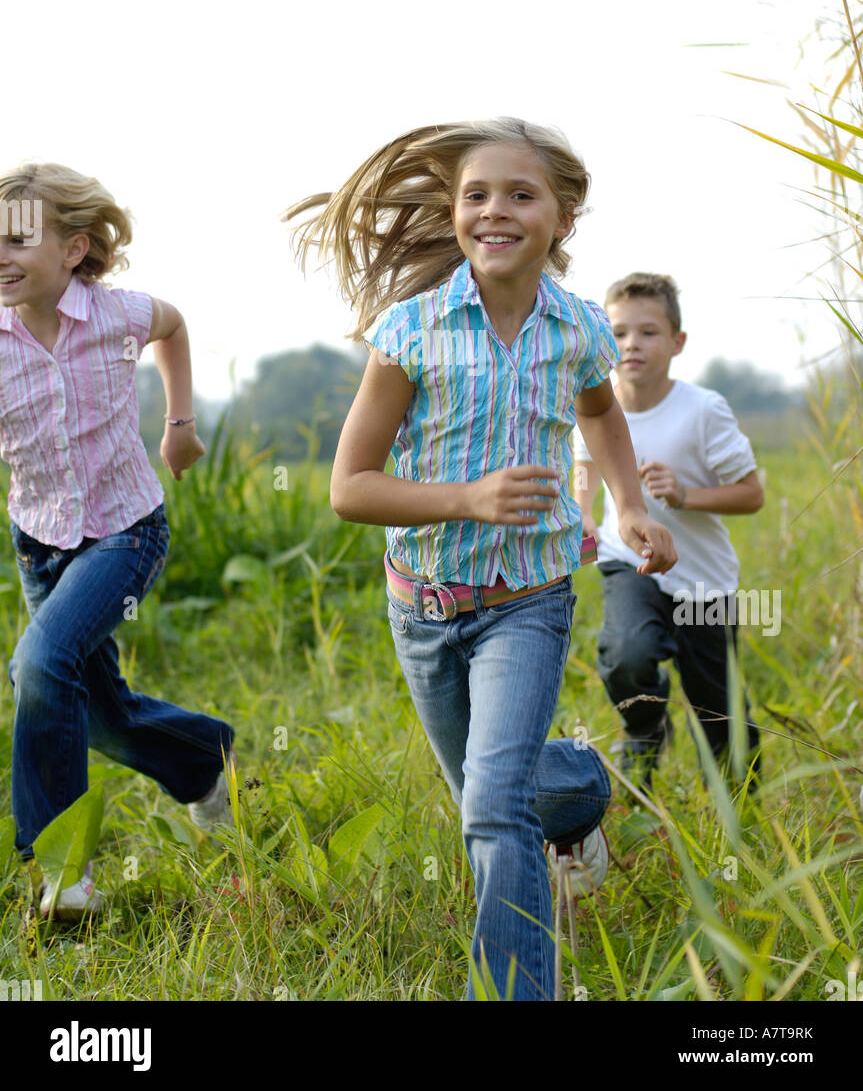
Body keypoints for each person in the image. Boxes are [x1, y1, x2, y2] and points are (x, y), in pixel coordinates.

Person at [284, 119, 676, 1001]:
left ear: (562, 219)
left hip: (528, 598)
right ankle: (581, 795)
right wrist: (465, 497)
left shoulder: (576, 328)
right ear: (455, 213)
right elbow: (350, 487)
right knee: (495, 795)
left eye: (519, 194)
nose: (494, 210)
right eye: (475, 195)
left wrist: (629, 505)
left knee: (493, 811)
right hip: (422, 607)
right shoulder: (411, 331)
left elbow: (600, 413)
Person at [0, 164, 235, 921]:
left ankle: (62, 872)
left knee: (38, 663)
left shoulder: (117, 313)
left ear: (73, 249)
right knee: (94, 710)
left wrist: (181, 424)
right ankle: (203, 758)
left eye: (16, 241)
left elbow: (173, 325)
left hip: (126, 532)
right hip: (40, 540)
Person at [572, 272, 764, 789]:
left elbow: (752, 493)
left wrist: (686, 496)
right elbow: (586, 461)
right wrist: (585, 511)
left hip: (704, 580)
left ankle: (740, 807)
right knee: (626, 654)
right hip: (629, 560)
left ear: (677, 342)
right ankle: (645, 727)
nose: (631, 344)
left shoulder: (703, 410)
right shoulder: (592, 402)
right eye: (618, 333)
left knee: (719, 709)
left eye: (648, 332)